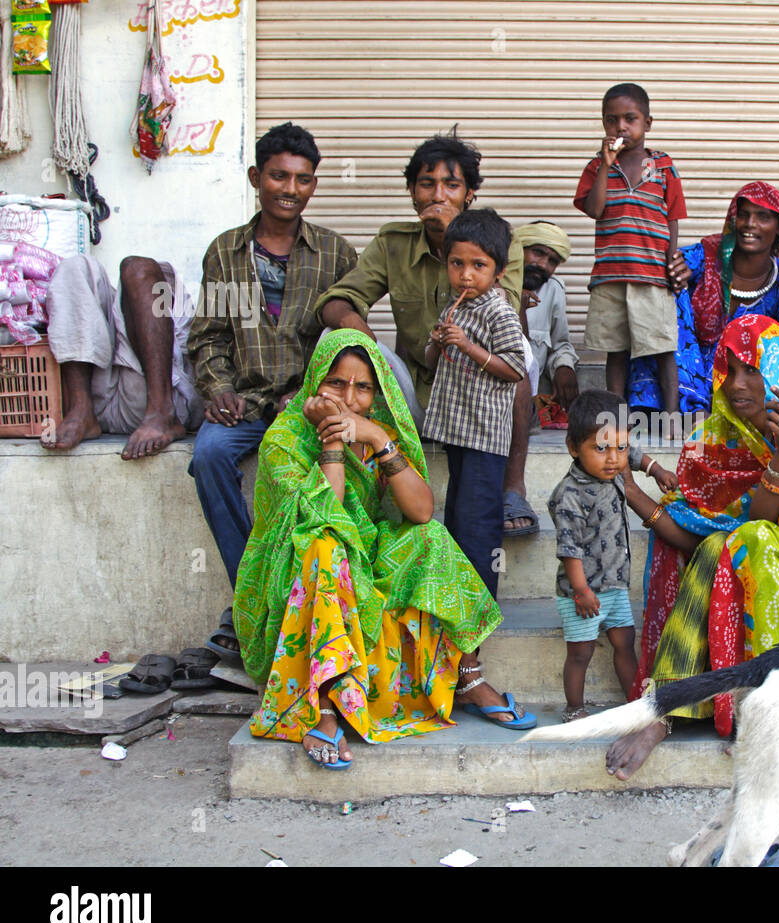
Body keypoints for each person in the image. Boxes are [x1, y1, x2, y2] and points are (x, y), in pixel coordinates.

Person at [234, 330, 503, 768]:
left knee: (430, 538)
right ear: (315, 382)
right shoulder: (283, 439)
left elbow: (419, 510)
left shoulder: (376, 426)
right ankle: (320, 705)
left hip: (366, 549)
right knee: (325, 548)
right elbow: (328, 514)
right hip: (297, 564)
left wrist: (378, 437)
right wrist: (333, 441)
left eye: (363, 387)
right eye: (336, 383)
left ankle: (468, 677)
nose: (350, 398)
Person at [608, 315, 779, 780]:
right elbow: (690, 533)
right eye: (729, 369)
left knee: (751, 539)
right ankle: (666, 707)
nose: (737, 384)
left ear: (777, 374)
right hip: (729, 576)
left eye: (752, 370)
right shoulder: (713, 442)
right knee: (720, 544)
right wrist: (633, 492)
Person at [185, 122, 358, 663]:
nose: (291, 188)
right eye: (279, 176)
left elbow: (348, 343)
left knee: (315, 482)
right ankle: (251, 596)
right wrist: (219, 389)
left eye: (304, 179)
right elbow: (208, 337)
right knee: (209, 455)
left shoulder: (335, 253)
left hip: (308, 405)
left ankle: (295, 603)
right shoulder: (227, 252)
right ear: (256, 177)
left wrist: (312, 393)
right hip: (246, 403)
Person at [314, 131, 540, 534]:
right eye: (427, 184)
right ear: (413, 194)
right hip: (418, 390)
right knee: (338, 339)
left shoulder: (500, 242)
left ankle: (512, 485)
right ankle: (349, 469)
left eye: (452, 185)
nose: (439, 194)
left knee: (519, 350)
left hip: (480, 399)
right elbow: (337, 302)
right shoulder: (393, 242)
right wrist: (364, 340)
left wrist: (457, 234)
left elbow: (499, 316)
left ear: (469, 194)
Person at [419, 208, 538, 728]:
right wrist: (439, 340)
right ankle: (458, 642)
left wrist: (465, 344)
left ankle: (472, 651)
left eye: (479, 266)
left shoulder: (498, 309)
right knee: (460, 532)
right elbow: (438, 360)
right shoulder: (457, 303)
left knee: (476, 537)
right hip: (459, 435)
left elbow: (516, 367)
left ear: (498, 269)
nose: (466, 275)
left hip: (486, 440)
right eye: (457, 264)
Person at [547, 390, 676, 723]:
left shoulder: (617, 465)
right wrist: (582, 591)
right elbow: (569, 549)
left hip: (615, 584)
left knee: (625, 642)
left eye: (618, 447)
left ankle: (636, 704)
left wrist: (657, 470)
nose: (613, 458)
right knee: (581, 652)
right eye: (600, 449)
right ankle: (574, 707)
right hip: (583, 591)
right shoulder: (569, 495)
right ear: (574, 448)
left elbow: (634, 456)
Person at [631, 181, 779, 416]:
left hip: (741, 377)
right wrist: (673, 272)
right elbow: (668, 266)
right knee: (665, 294)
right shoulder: (709, 253)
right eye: (743, 215)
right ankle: (692, 407)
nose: (750, 224)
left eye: (763, 217)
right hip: (689, 368)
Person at [574, 82, 686, 417]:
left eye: (630, 118)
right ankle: (617, 416)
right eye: (611, 120)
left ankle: (671, 417)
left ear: (647, 123)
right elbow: (594, 209)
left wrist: (671, 266)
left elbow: (673, 218)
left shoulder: (664, 166)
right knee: (616, 351)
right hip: (610, 275)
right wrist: (607, 165)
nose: (620, 127)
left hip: (652, 275)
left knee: (663, 349)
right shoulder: (597, 166)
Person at [43, 254, 203, 458]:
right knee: (73, 266)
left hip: (164, 394)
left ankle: (162, 414)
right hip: (99, 396)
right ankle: (80, 410)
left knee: (137, 267)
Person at [505, 221, 580, 527]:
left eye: (552, 260)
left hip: (527, 405)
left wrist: (564, 366)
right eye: (537, 253)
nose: (543, 265)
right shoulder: (488, 280)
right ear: (517, 248)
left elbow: (560, 342)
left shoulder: (553, 290)